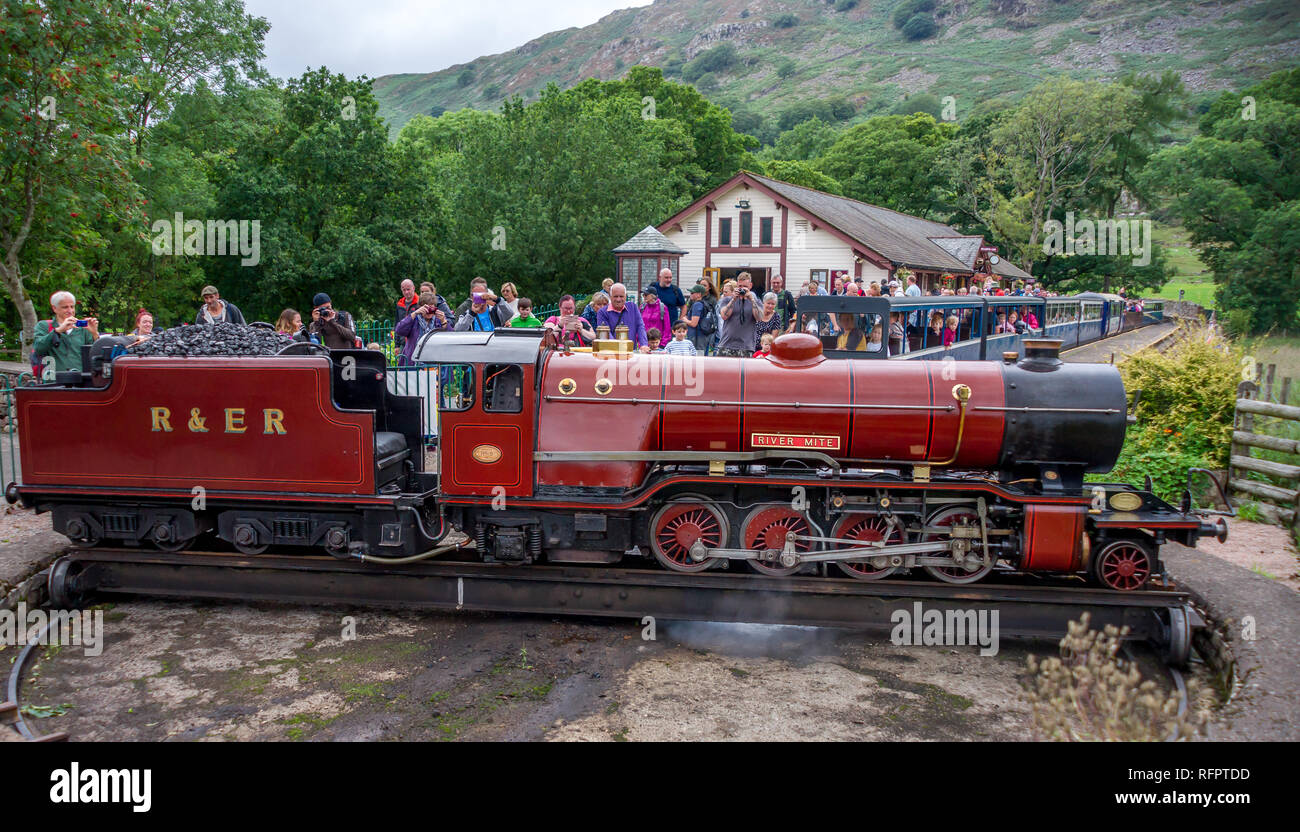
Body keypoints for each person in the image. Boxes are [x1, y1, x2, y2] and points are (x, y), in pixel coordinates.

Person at [33, 290, 98, 373]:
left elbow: (95, 355)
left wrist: (94, 333)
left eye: (72, 306)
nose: (70, 311)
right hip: (52, 381)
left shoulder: (83, 329)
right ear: (54, 308)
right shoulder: (44, 326)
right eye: (65, 307)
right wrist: (58, 330)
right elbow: (38, 348)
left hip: (80, 381)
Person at [396, 290, 452, 363]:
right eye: (427, 308)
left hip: (435, 363)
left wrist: (444, 321)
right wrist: (414, 313)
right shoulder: (414, 320)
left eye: (432, 308)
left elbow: (450, 338)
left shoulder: (438, 321)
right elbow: (399, 330)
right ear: (420, 307)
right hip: (414, 363)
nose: (429, 311)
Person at [595, 283, 649, 351]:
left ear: (625, 296)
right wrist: (618, 348)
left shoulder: (633, 307)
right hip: (611, 353)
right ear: (610, 296)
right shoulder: (602, 312)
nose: (618, 299)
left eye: (621, 296)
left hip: (631, 352)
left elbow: (640, 326)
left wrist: (644, 345)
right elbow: (605, 333)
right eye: (615, 296)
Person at [717, 272, 758, 357]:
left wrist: (752, 300)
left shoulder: (755, 301)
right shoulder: (727, 300)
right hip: (726, 345)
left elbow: (759, 318)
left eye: (745, 286)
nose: (742, 289)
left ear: (750, 285)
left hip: (746, 347)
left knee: (744, 371)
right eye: (740, 286)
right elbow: (724, 316)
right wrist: (733, 299)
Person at [682, 284, 712, 354]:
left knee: (698, 360)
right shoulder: (704, 303)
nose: (690, 294)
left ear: (699, 294)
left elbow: (693, 323)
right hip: (702, 336)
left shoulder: (697, 304)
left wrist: (685, 320)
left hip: (696, 337)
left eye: (692, 293)